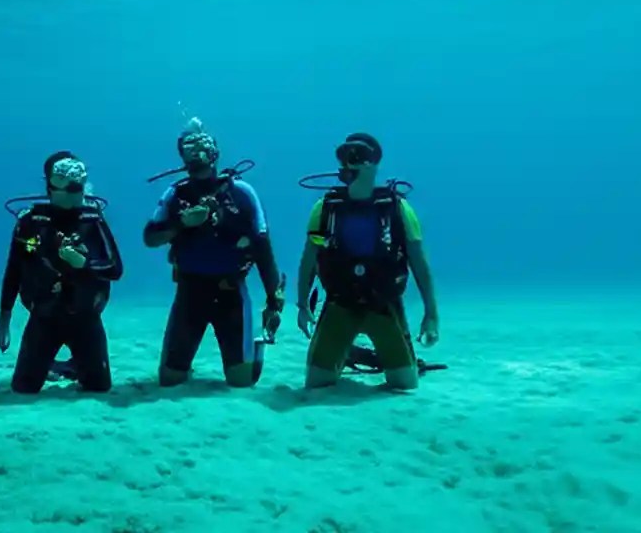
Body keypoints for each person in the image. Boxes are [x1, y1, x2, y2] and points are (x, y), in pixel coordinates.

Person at [143, 118, 285, 388]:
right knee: (170, 379)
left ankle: (253, 352)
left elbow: (262, 245)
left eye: (202, 148)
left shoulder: (241, 192)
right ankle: (185, 362)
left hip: (230, 290)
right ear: (181, 155)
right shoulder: (176, 193)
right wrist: (182, 223)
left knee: (240, 382)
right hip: (190, 290)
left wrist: (273, 295)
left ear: (215, 153)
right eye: (189, 149)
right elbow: (150, 237)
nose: (196, 154)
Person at [296, 132, 441, 390]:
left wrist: (431, 314)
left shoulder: (397, 209)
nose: (350, 163)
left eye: (359, 156)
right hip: (340, 303)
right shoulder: (327, 209)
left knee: (405, 384)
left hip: (383, 304)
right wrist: (303, 305)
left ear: (374, 163)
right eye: (345, 156)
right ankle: (347, 351)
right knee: (317, 382)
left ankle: (369, 356)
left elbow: (419, 262)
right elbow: (310, 257)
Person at [0, 152, 122, 394]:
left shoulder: (92, 219)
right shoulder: (31, 221)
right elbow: (14, 270)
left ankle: (74, 365)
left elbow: (115, 268)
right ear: (50, 186)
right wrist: (4, 318)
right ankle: (52, 364)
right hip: (44, 316)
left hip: (86, 317)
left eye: (79, 186)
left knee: (98, 388)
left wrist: (82, 264)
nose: (76, 194)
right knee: (24, 388)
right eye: (67, 184)